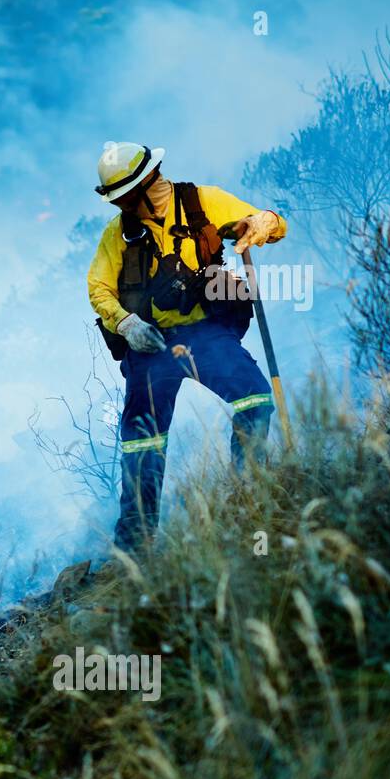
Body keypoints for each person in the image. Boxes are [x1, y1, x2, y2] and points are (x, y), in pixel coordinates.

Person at [87, 142, 286, 550]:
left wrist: (263, 222)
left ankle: (245, 498)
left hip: (203, 334)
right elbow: (98, 287)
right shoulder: (118, 234)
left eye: (123, 196)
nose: (119, 205)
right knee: (143, 438)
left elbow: (265, 223)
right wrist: (126, 323)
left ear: (144, 185)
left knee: (255, 399)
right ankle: (135, 545)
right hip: (150, 346)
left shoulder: (202, 203)